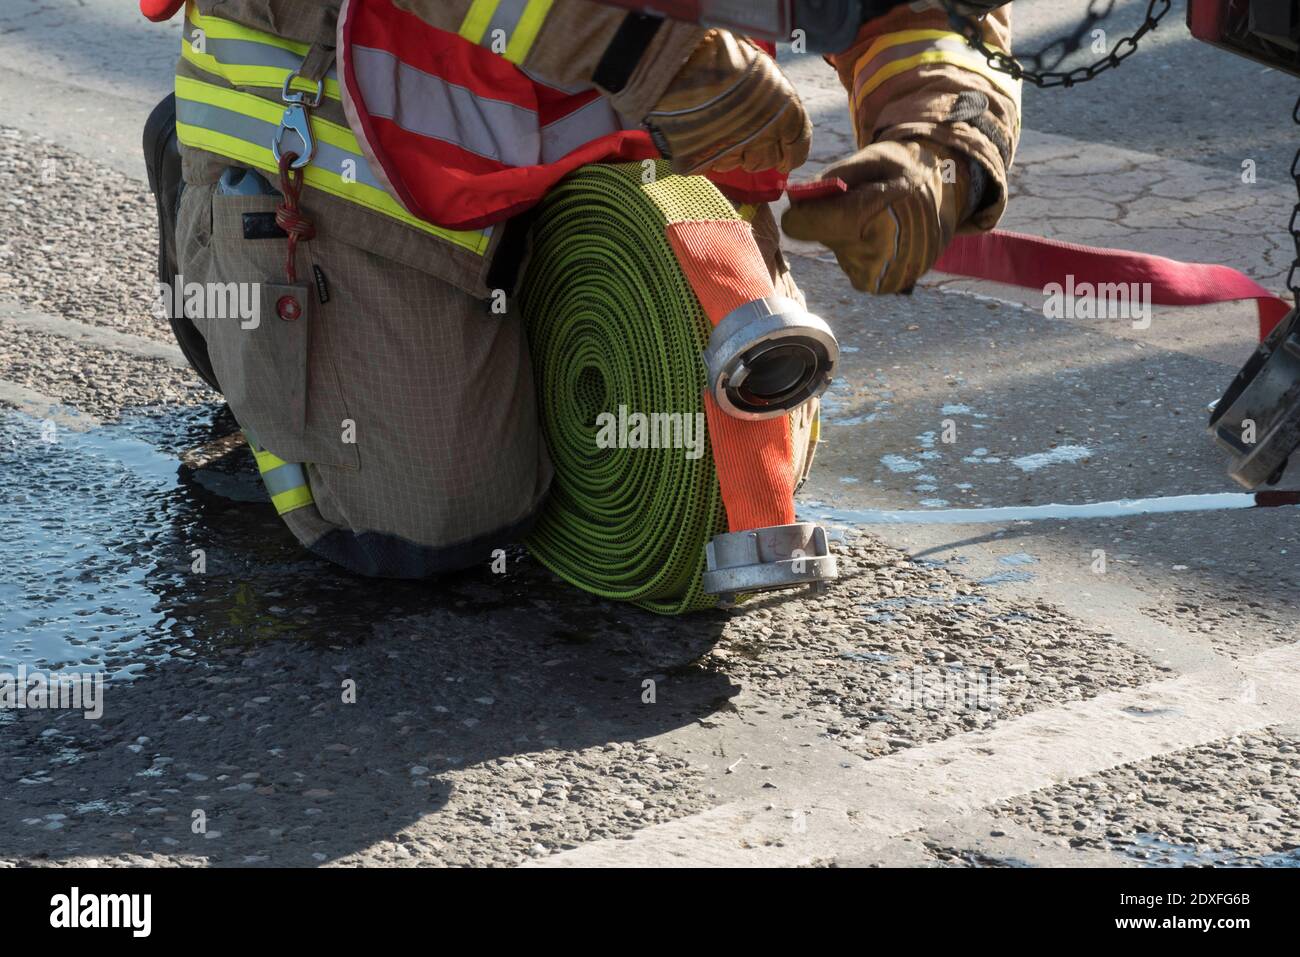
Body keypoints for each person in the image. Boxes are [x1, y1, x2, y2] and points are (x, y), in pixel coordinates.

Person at [141, 0, 1019, 579]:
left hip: (634, 106)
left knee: (714, 479)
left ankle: (528, 278)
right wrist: (651, 56)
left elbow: (930, 10)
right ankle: (217, 209)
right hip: (367, 103)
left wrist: (940, 135)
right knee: (422, 527)